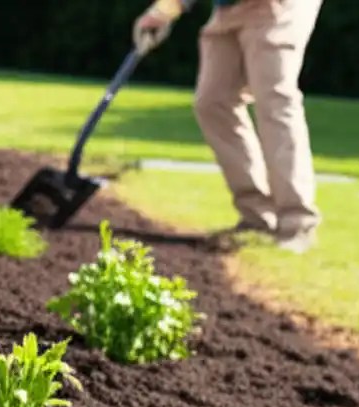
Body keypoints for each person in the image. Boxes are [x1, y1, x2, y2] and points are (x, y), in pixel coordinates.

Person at [135, 0, 324, 253]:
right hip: (230, 8)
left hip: (278, 6)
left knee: (275, 99)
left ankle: (297, 223)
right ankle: (257, 217)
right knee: (212, 101)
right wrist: (163, 10)